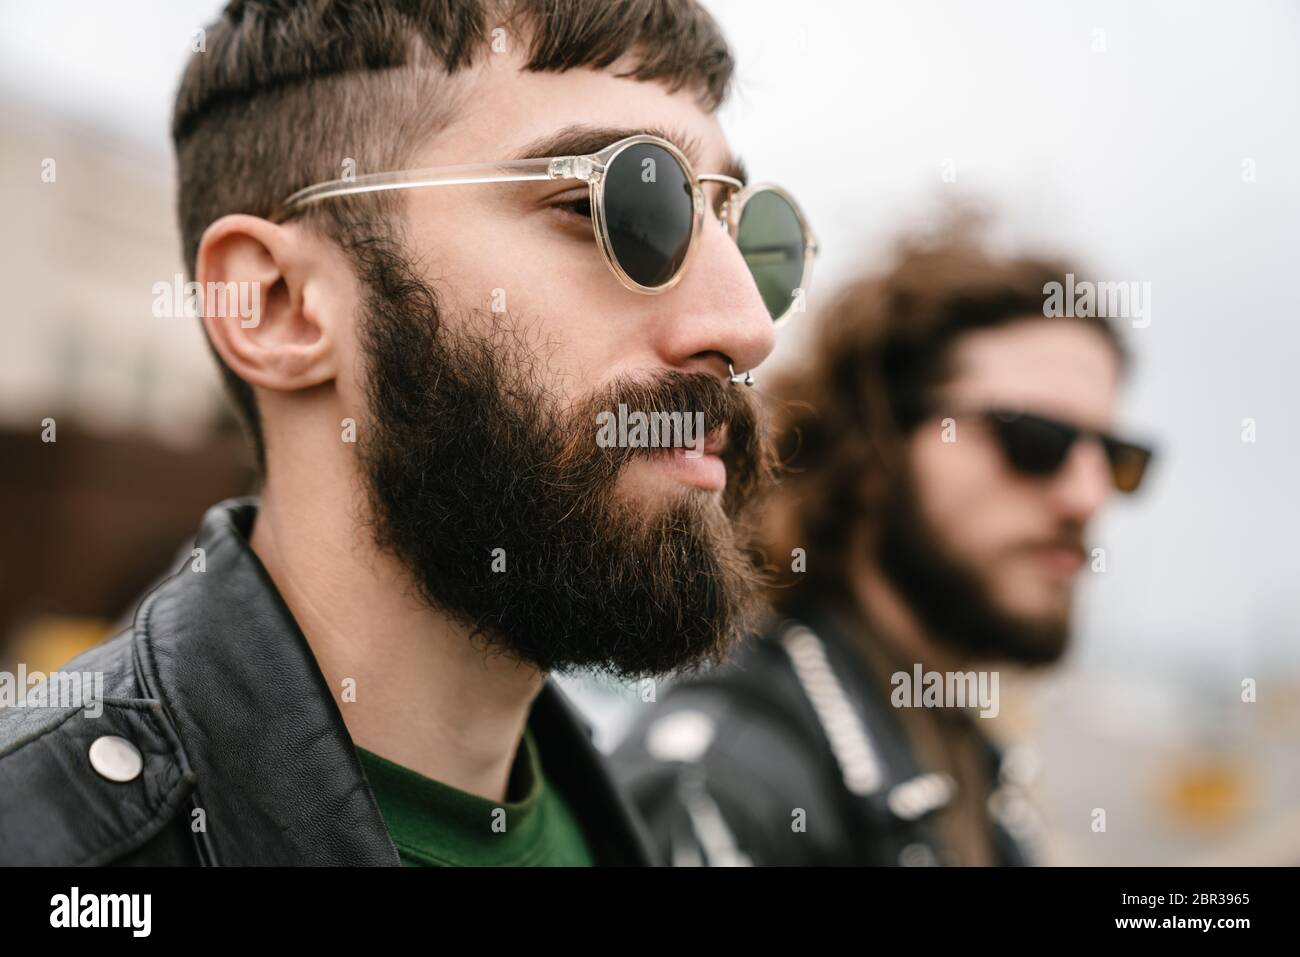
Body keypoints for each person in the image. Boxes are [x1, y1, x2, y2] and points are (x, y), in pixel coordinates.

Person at [0, 0, 818, 866]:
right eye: (624, 201)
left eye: (741, 231)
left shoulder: (647, 825)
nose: (747, 326)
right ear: (277, 304)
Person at [612, 226, 1155, 865]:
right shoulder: (723, 788)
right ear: (874, 453)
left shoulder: (965, 759)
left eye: (1119, 459)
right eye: (1036, 441)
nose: (1088, 497)